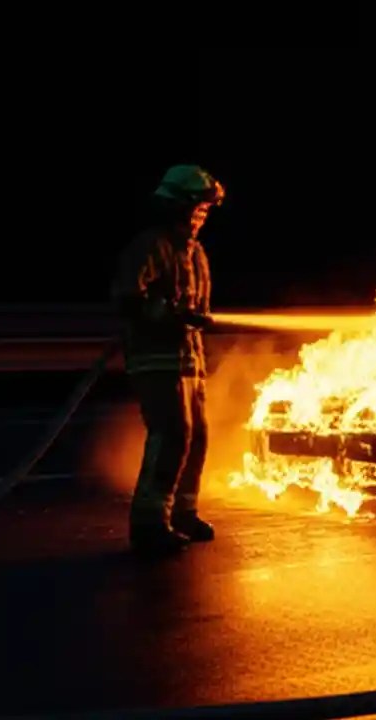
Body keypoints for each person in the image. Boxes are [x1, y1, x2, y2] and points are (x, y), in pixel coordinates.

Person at [111, 164, 224, 556]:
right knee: (172, 433)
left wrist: (195, 320)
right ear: (176, 207)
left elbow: (197, 308)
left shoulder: (196, 254)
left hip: (189, 361)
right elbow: (127, 297)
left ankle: (184, 513)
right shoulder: (151, 246)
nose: (201, 217)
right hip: (155, 359)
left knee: (199, 437)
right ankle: (149, 521)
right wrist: (169, 315)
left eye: (205, 211)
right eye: (197, 209)